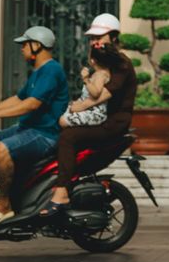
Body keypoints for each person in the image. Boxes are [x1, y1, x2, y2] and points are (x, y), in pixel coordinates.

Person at [40, 14, 138, 219]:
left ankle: (62, 192)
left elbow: (103, 95)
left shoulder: (121, 63)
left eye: (98, 37)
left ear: (113, 36)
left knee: (69, 137)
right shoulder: (105, 61)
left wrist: (80, 106)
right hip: (99, 118)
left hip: (112, 123)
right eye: (92, 38)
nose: (94, 41)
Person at [0, 27, 70, 226]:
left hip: (45, 134)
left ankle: (4, 206)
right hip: (28, 129)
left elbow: (31, 104)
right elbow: (18, 98)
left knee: (2, 149)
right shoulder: (38, 71)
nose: (21, 49)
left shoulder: (51, 70)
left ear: (37, 45)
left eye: (24, 44)